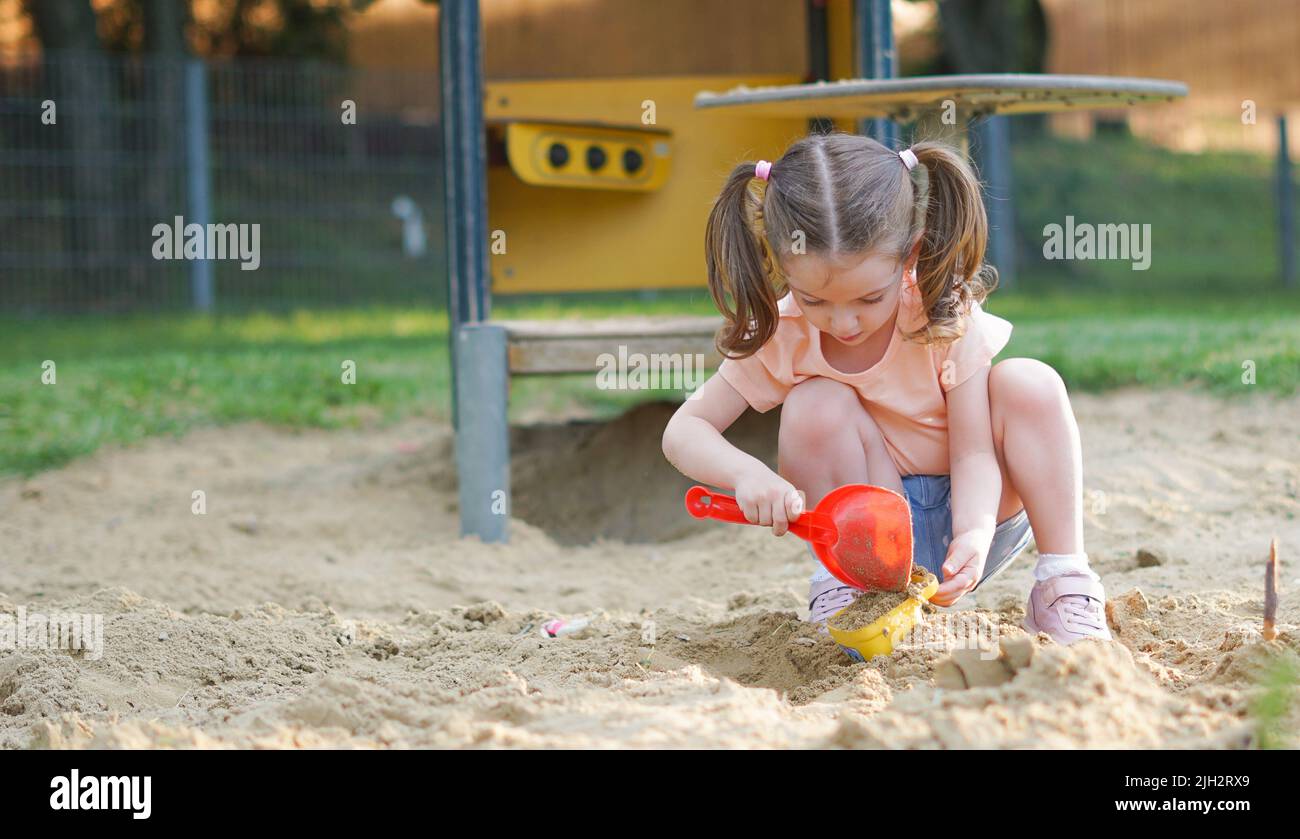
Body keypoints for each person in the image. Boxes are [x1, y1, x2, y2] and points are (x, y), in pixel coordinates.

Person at [660, 133, 1111, 646]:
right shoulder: (784, 333)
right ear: (783, 265)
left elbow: (973, 452)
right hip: (865, 538)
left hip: (979, 514)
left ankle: (1064, 583)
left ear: (909, 256)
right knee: (814, 403)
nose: (844, 321)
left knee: (1029, 382)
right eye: (815, 299)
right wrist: (746, 474)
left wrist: (974, 530)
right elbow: (684, 430)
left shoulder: (940, 311)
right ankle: (848, 588)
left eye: (870, 298)